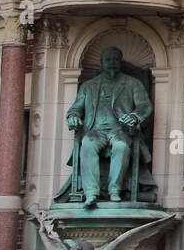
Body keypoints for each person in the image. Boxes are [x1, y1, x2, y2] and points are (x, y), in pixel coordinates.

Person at [64, 47, 153, 209]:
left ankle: (115, 189)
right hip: (95, 130)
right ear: (102, 63)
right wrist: (73, 117)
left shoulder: (132, 83)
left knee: (121, 146)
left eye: (115, 60)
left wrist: (133, 117)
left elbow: (144, 106)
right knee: (87, 146)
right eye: (108, 60)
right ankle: (91, 192)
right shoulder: (88, 86)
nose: (112, 63)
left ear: (120, 62)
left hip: (120, 130)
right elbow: (76, 108)